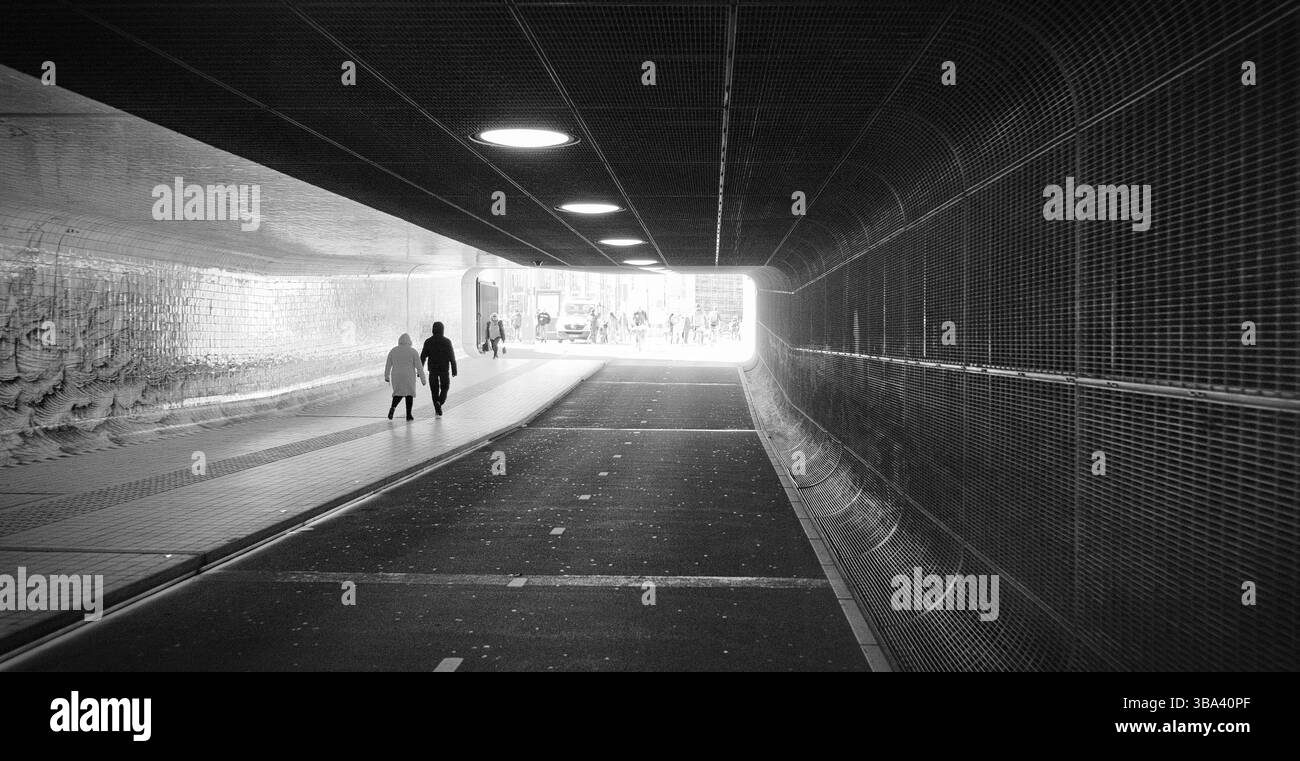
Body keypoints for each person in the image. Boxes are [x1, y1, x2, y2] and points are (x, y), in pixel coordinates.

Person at [384, 333, 426, 421]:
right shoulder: (413, 351)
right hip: (409, 376)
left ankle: (393, 408)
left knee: (398, 393)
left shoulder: (393, 350)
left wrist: (386, 376)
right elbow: (419, 366)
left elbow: (388, 365)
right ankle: (409, 415)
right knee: (409, 394)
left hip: (396, 375)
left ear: (399, 341)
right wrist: (423, 379)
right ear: (409, 341)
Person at [419, 321, 457, 417]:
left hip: (432, 369)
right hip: (444, 368)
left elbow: (423, 357)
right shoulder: (447, 341)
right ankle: (440, 402)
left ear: (433, 330)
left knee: (434, 389)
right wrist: (454, 369)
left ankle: (437, 408)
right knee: (445, 387)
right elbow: (452, 357)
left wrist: (420, 370)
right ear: (442, 330)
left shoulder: (428, 341)